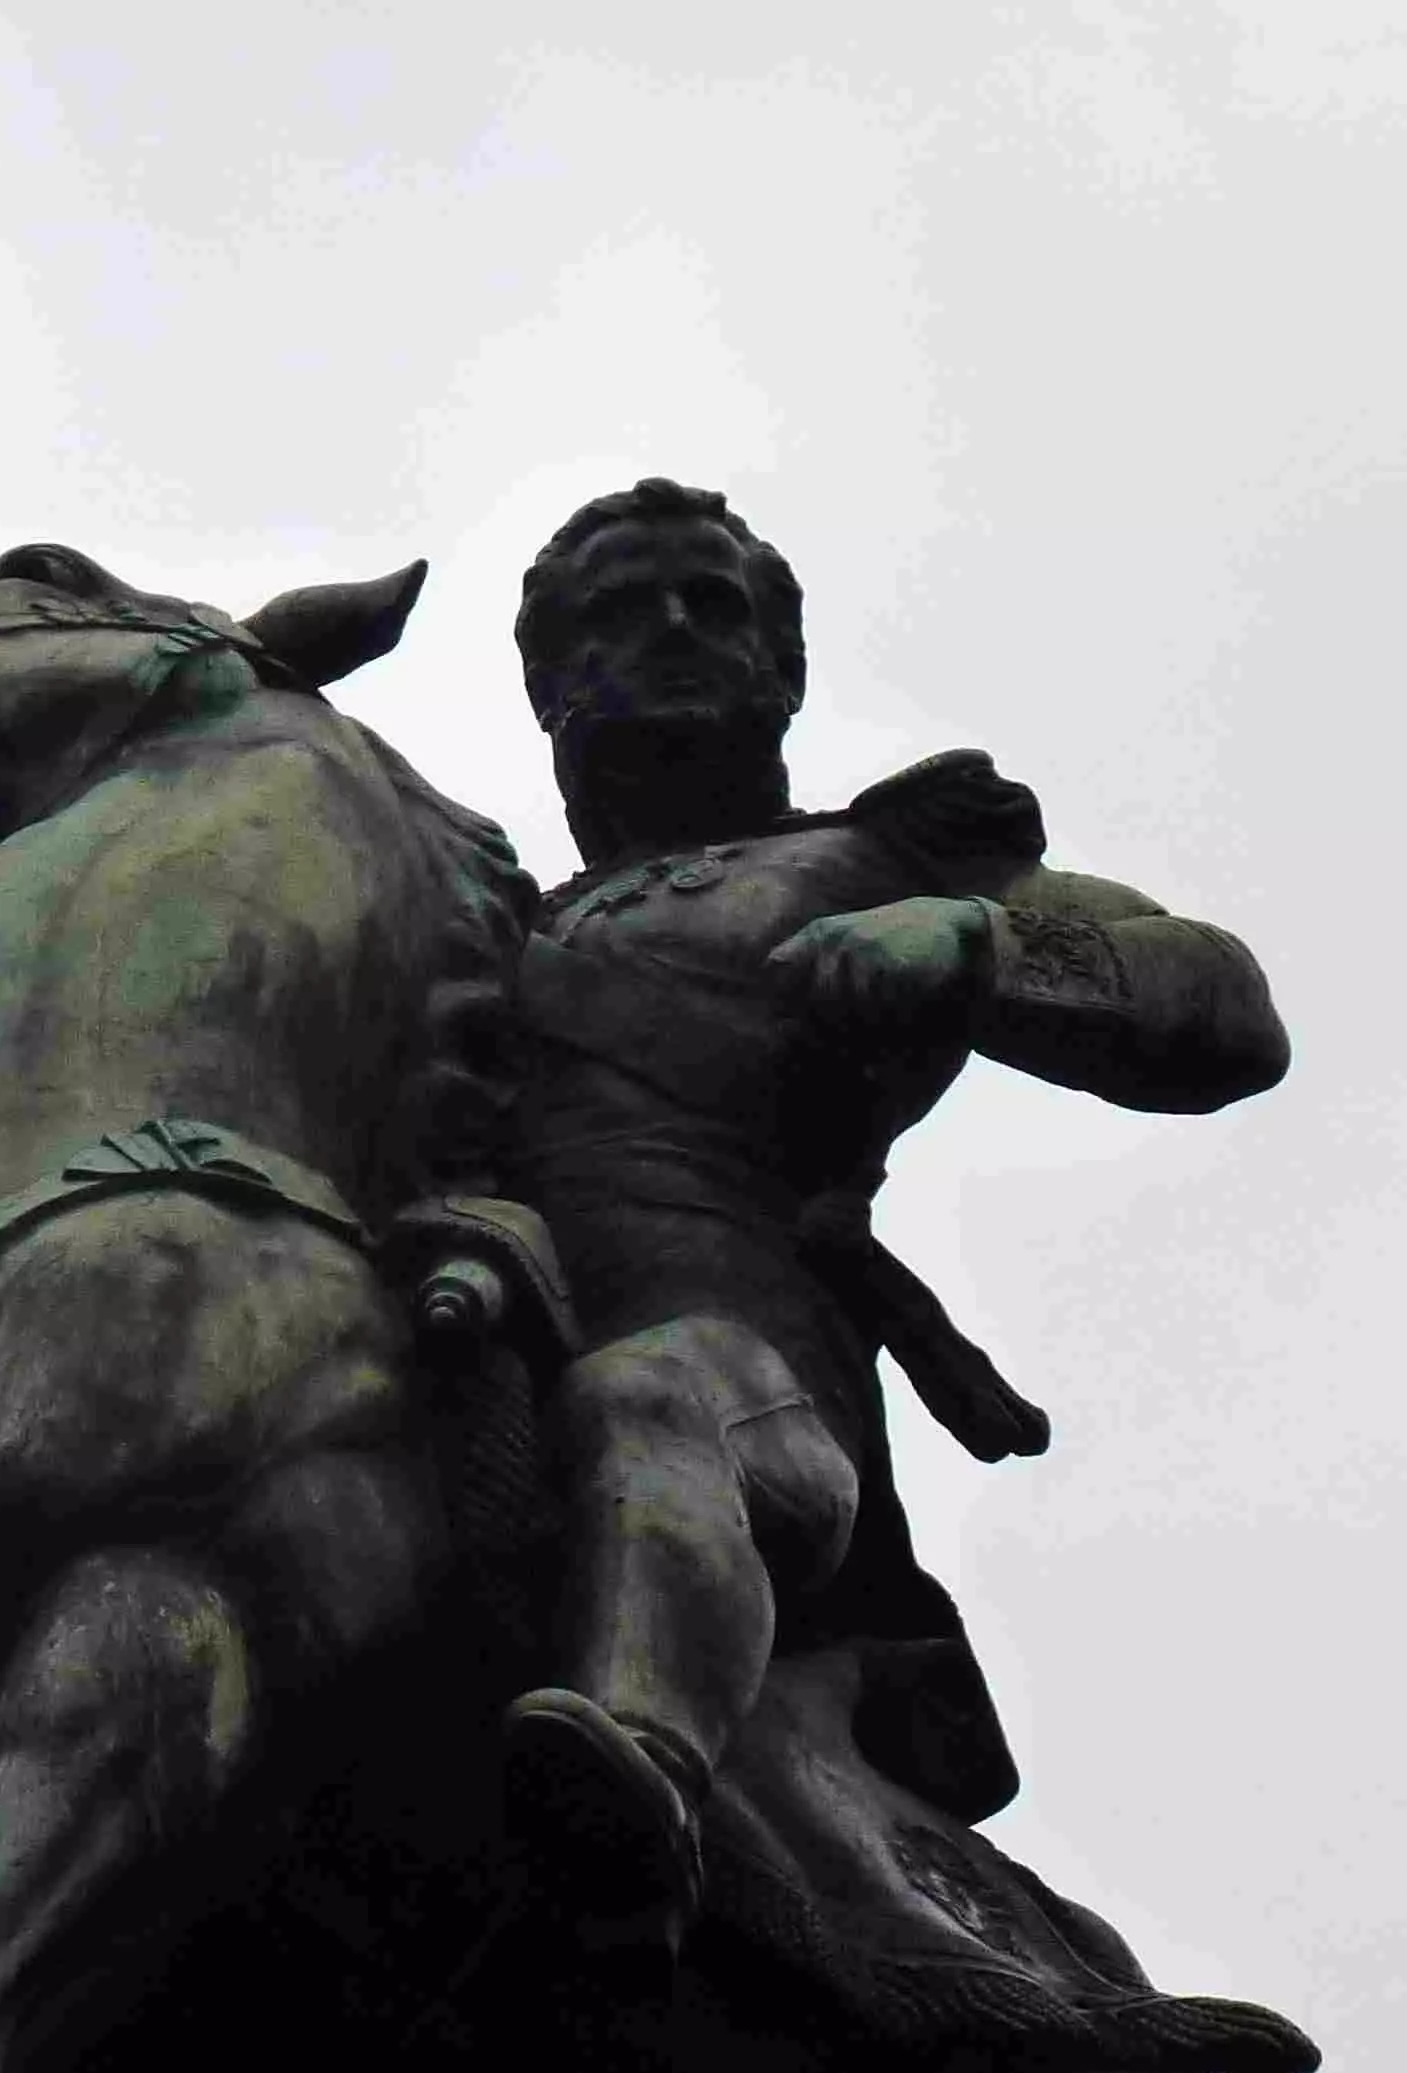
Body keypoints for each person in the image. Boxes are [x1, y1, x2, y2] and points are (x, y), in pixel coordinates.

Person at [500, 478, 1290, 1939]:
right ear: (548, 681)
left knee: (659, 1394)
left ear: (783, 667)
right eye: (618, 610)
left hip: (745, 1392)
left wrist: (982, 940)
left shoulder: (887, 856)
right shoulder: (488, 923)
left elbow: (1226, 1012)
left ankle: (645, 1769)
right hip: (467, 1358)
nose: (670, 629)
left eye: (709, 603)